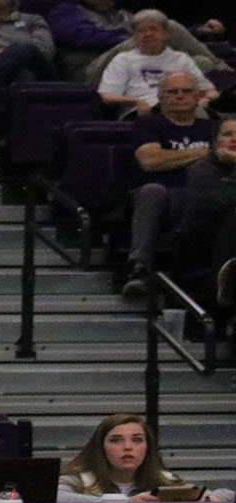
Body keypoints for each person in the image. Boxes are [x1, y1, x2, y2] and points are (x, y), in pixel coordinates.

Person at [122, 71, 221, 293]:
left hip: (202, 195)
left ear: (198, 97)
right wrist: (205, 153)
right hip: (161, 195)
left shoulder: (214, 128)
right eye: (172, 92)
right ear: (160, 97)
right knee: (152, 191)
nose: (180, 96)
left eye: (186, 91)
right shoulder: (147, 124)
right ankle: (139, 268)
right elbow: (150, 161)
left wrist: (175, 158)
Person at [57, 412, 231, 501]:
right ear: (100, 447)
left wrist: (208, 500)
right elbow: (55, 498)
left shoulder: (163, 480)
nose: (128, 447)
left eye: (137, 440)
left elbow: (228, 495)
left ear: (148, 447)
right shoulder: (78, 479)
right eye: (116, 440)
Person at [97, 8, 218, 116]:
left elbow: (211, 92)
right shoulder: (123, 60)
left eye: (153, 29)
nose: (148, 34)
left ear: (166, 34)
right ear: (134, 37)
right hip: (141, 113)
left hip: (181, 108)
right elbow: (106, 96)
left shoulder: (181, 59)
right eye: (141, 31)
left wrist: (205, 99)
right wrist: (136, 101)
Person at [177, 117, 236, 300]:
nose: (234, 139)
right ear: (215, 142)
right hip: (201, 241)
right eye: (227, 134)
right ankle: (226, 281)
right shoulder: (201, 170)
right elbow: (223, 202)